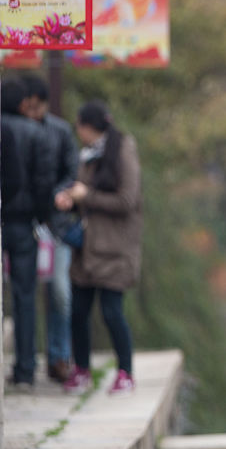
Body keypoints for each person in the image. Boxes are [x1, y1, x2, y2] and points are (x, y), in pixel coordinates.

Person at [55, 100, 141, 396]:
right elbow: (84, 192)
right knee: (78, 311)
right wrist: (71, 199)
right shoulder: (87, 154)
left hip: (114, 249)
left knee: (112, 311)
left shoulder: (122, 150)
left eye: (79, 126)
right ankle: (81, 370)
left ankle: (126, 373)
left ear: (88, 127)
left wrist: (86, 195)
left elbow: (128, 200)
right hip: (87, 248)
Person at [22, 74, 78, 383]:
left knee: (59, 292)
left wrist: (60, 193)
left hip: (55, 226)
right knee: (25, 293)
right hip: (24, 223)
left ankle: (59, 356)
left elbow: (72, 171)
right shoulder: (15, 128)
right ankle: (29, 358)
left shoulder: (61, 131)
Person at [2, 77, 54, 391]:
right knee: (24, 296)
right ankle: (24, 368)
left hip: (2, 219)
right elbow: (44, 181)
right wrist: (42, 217)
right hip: (23, 224)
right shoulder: (37, 133)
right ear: (24, 104)